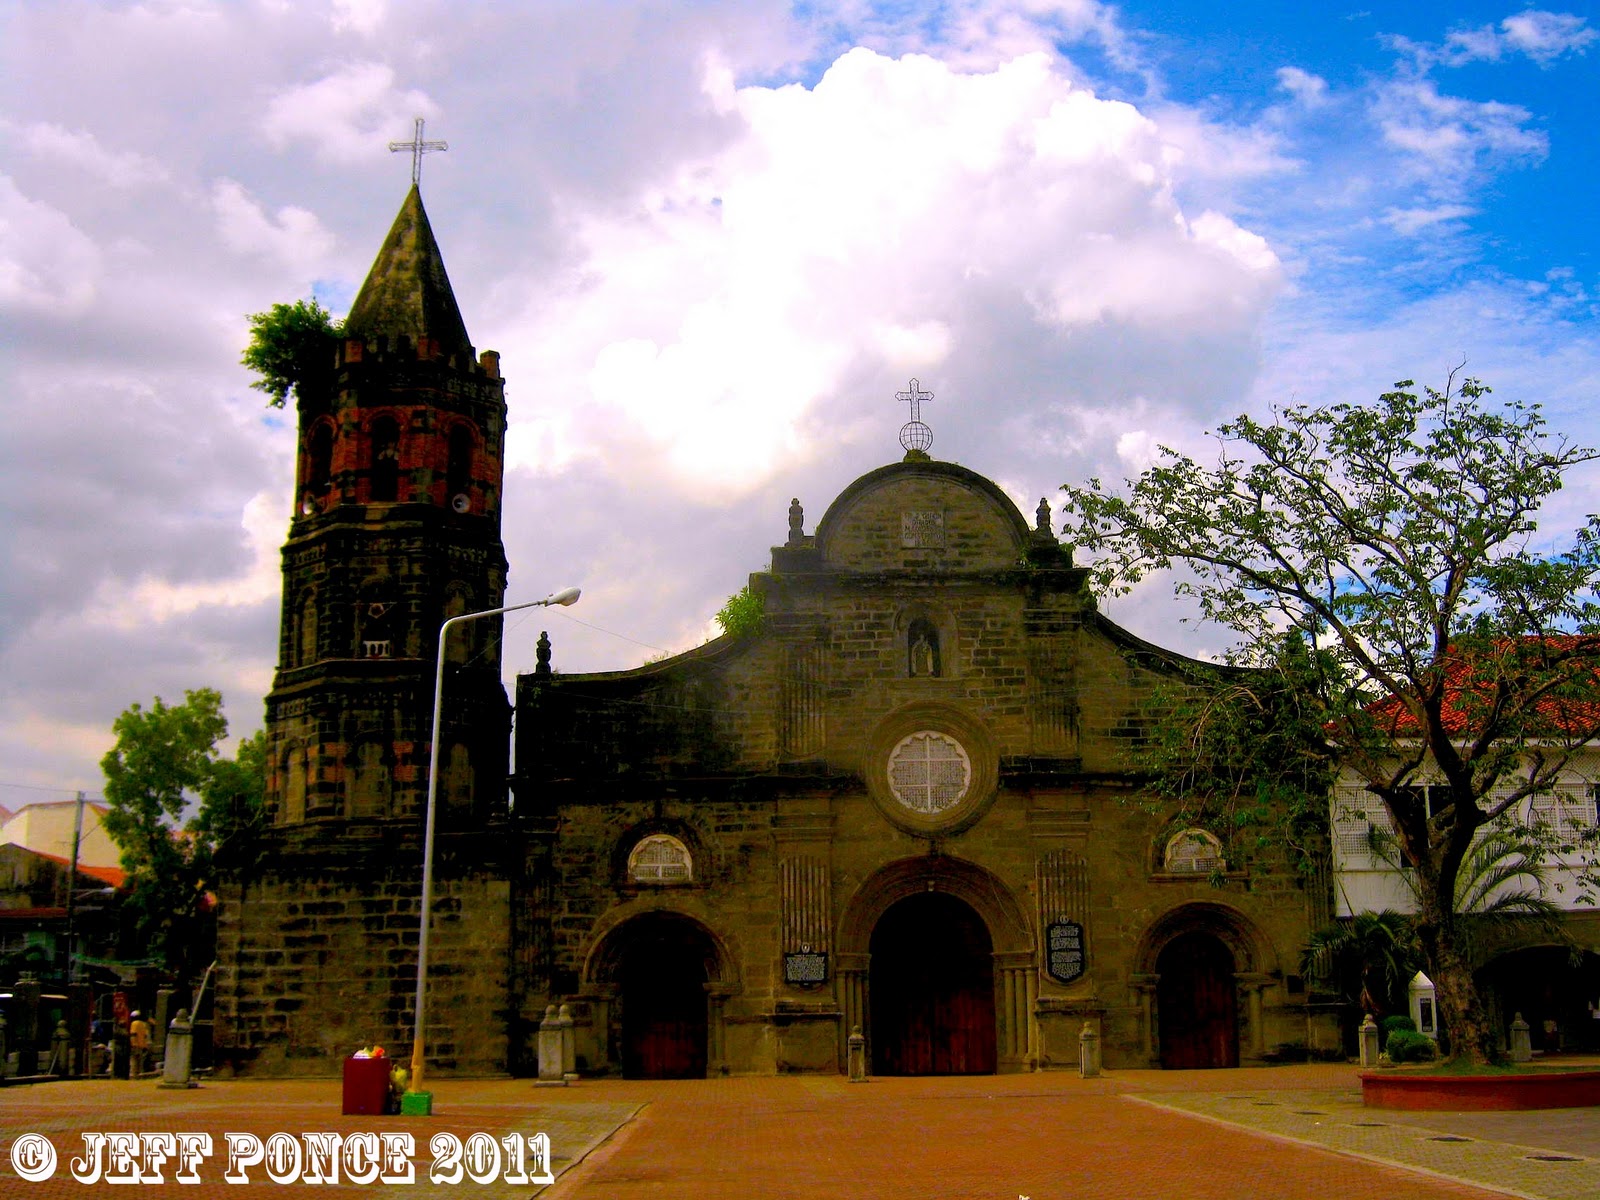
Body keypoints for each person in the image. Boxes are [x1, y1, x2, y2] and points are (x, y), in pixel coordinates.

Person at [128, 1011, 151, 1077]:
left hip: (135, 1045)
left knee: (133, 1061)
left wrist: (133, 1044)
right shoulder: (143, 1024)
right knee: (140, 1062)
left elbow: (133, 1034)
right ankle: (139, 1074)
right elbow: (145, 1036)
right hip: (142, 1045)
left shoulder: (134, 1023)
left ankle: (133, 1075)